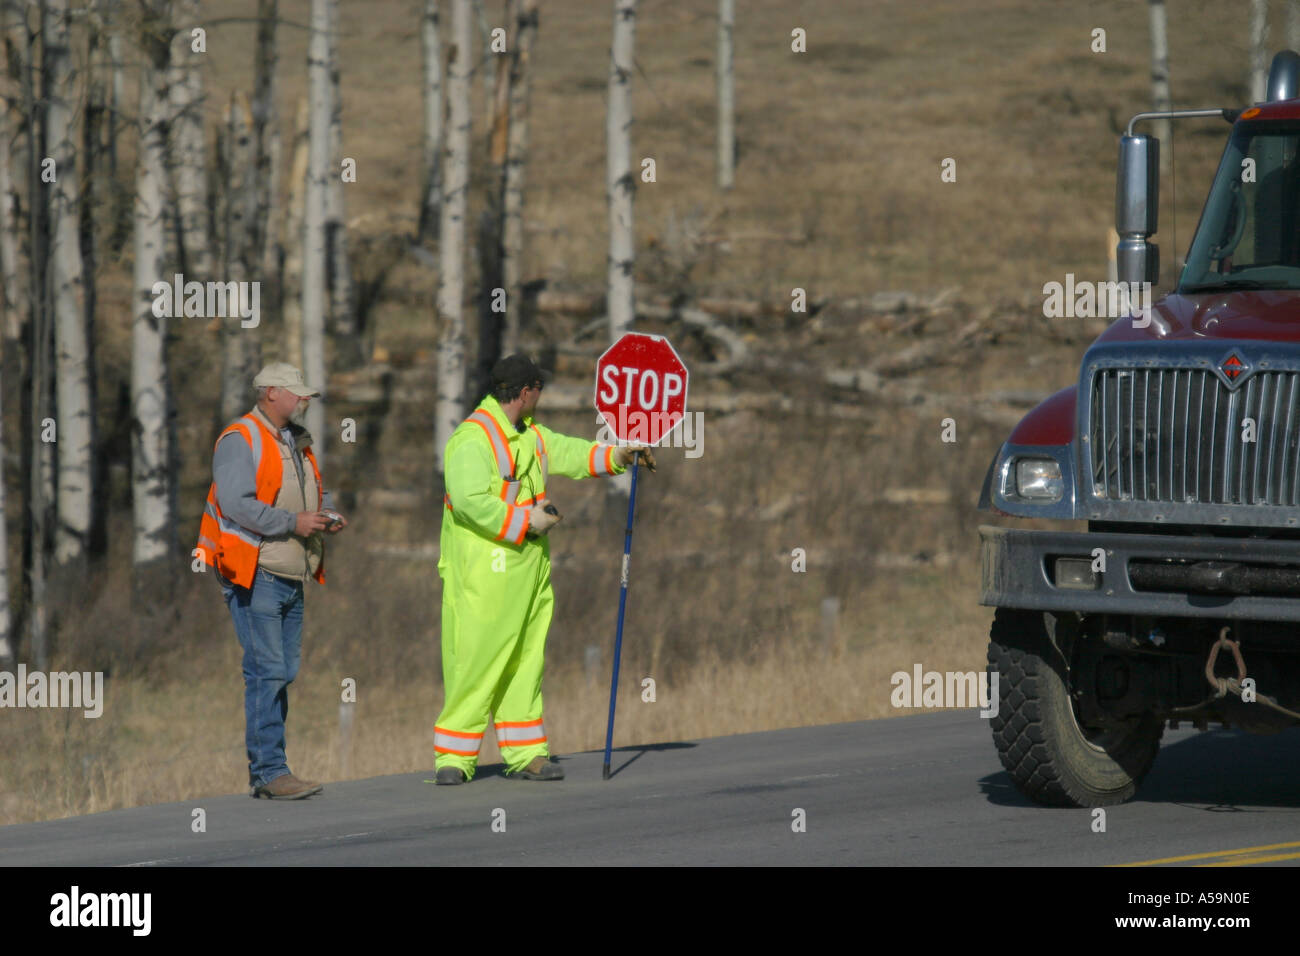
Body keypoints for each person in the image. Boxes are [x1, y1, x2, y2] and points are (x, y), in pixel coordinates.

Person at [434, 354, 654, 784]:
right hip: (485, 575)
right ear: (527, 391)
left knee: (526, 663)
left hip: (530, 570)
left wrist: (619, 454)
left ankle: (526, 754)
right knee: (478, 662)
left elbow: (569, 451)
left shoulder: (528, 434)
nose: (541, 396)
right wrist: (524, 521)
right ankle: (454, 759)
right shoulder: (472, 439)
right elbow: (468, 500)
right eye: (539, 389)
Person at [195, 362, 348, 800]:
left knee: (283, 672)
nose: (303, 401)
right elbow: (237, 505)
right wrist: (293, 522)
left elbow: (315, 491)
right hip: (254, 572)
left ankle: (272, 770)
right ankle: (269, 772)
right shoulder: (238, 440)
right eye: (295, 393)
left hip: (292, 571)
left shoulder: (295, 441)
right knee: (266, 672)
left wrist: (327, 514)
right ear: (269, 394)